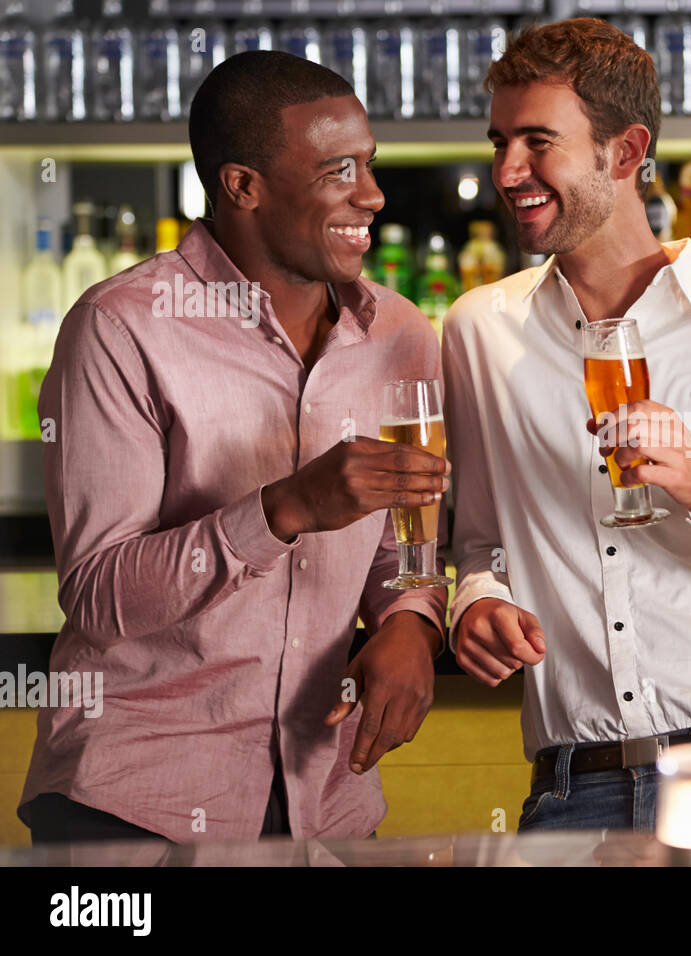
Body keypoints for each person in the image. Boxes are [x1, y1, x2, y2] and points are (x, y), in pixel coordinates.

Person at [19, 51, 451, 843]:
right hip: (134, 806)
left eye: (372, 165)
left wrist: (410, 624)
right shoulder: (120, 328)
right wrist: (286, 507)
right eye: (338, 170)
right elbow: (99, 596)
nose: (373, 195)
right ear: (242, 186)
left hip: (326, 799)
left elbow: (404, 548)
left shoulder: (401, 334)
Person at [441, 19, 691, 831]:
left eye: (536, 142)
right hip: (570, 786)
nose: (507, 171)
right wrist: (476, 602)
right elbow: (480, 545)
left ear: (625, 152)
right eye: (498, 143)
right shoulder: (478, 329)